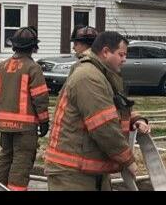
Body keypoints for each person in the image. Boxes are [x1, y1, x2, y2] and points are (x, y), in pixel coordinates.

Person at [45, 31, 150, 191]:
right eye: (121, 54)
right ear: (106, 52)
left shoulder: (103, 74)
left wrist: (136, 120)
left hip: (89, 169)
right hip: (72, 173)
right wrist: (127, 160)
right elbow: (103, 125)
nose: (124, 59)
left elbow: (114, 109)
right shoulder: (88, 77)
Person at [0, 27, 50, 191]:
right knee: (22, 161)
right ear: (33, 47)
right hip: (25, 127)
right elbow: (40, 98)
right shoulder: (33, 68)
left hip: (4, 123)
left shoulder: (1, 66)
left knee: (5, 157)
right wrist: (44, 121)